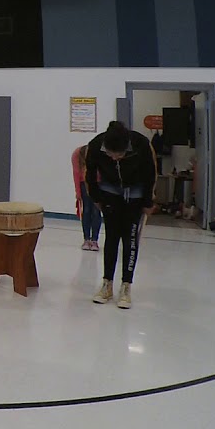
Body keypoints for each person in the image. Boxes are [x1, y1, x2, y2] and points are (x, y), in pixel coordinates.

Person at [84, 121, 156, 309]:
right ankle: (107, 284)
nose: (115, 158)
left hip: (136, 194)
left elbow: (150, 173)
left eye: (120, 154)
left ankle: (126, 286)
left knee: (130, 239)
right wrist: (96, 198)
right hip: (110, 192)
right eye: (110, 154)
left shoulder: (140, 144)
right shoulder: (95, 145)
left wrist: (148, 202)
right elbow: (90, 174)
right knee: (112, 238)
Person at [72, 144, 100, 251]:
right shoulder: (76, 154)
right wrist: (78, 192)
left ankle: (94, 240)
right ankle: (86, 239)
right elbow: (76, 173)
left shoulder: (97, 154)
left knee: (96, 211)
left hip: (98, 183)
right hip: (84, 183)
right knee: (87, 210)